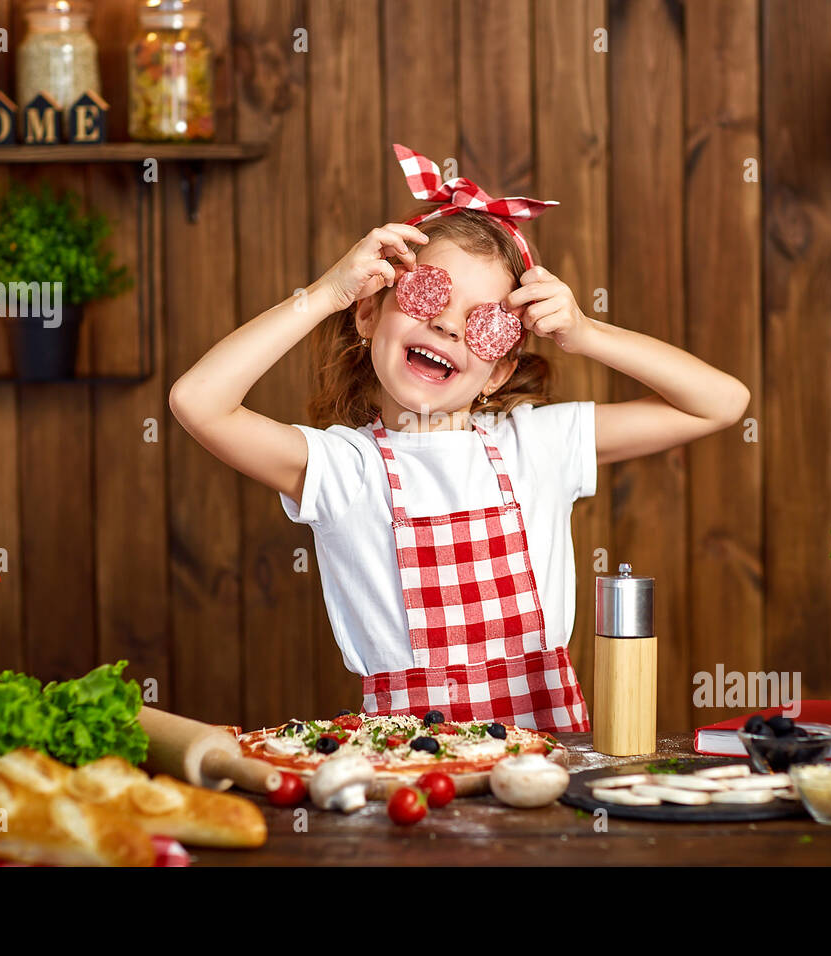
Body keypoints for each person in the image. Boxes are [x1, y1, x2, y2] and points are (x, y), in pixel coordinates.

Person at [169, 145, 750, 732]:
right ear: (369, 314)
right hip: (410, 773)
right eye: (428, 296)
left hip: (547, 769)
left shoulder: (537, 444)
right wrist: (326, 294)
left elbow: (721, 403)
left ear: (498, 370)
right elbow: (198, 402)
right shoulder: (345, 468)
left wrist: (586, 331)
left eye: (485, 323)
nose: (447, 325)